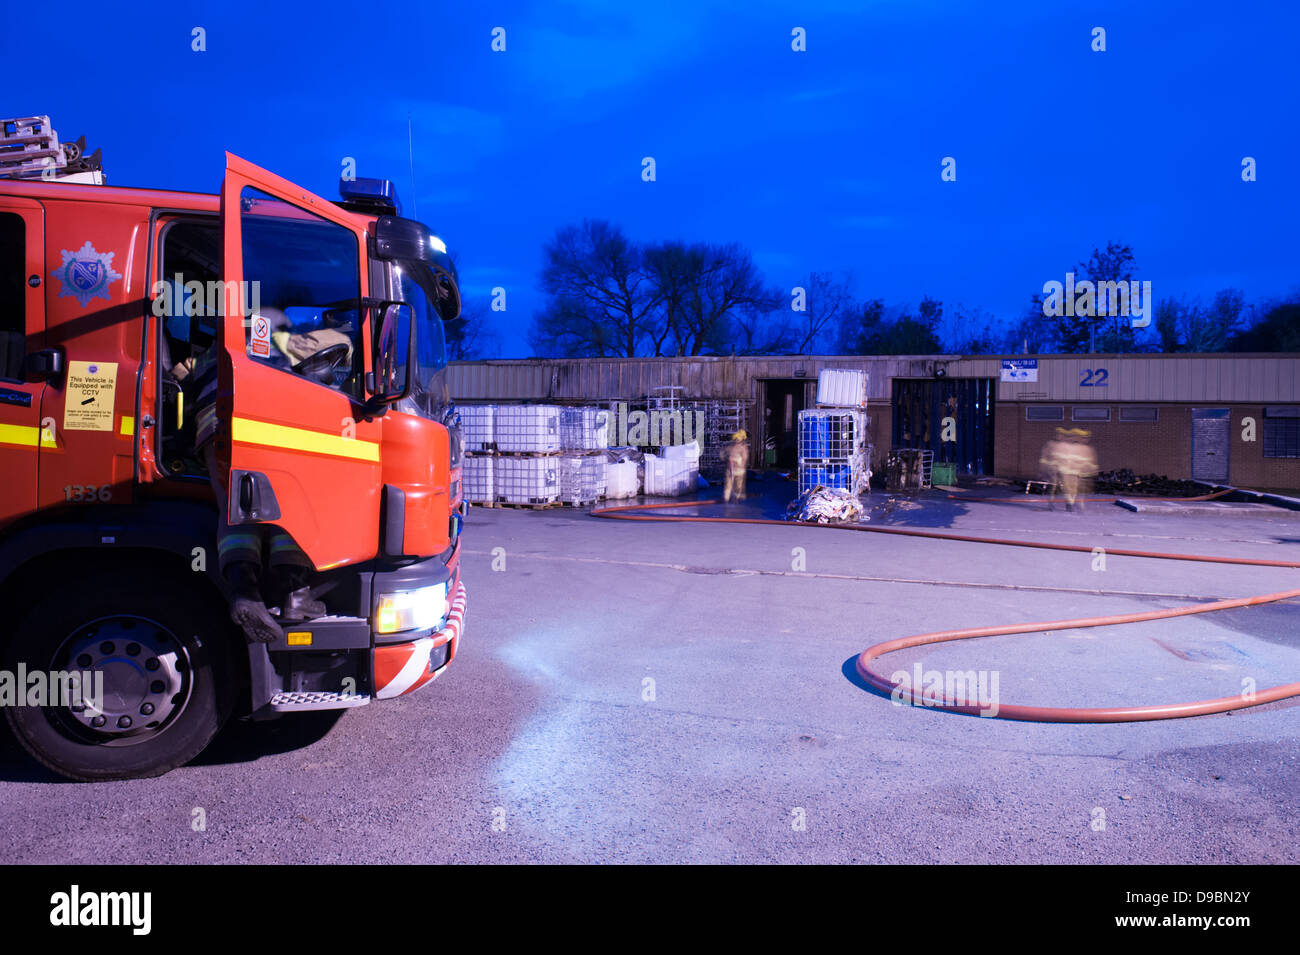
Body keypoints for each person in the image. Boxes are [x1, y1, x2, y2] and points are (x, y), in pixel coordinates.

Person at [189, 307, 332, 644]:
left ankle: (244, 590)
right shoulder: (274, 324)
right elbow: (318, 366)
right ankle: (295, 593)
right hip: (263, 417)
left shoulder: (217, 342)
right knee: (290, 504)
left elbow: (192, 379)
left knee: (234, 508)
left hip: (214, 422)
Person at [1039, 428, 1067, 509]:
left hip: (1064, 470)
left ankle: (1069, 504)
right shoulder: (1050, 444)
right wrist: (1043, 468)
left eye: (1061, 435)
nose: (1059, 436)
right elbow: (1044, 456)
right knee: (1052, 487)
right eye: (1058, 434)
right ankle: (1051, 504)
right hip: (1053, 470)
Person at [724, 429, 749, 502]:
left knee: (737, 485)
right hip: (732, 470)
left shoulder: (742, 448)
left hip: (738, 470)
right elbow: (724, 455)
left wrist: (736, 460)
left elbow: (744, 458)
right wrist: (729, 459)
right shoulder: (731, 447)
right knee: (730, 485)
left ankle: (735, 498)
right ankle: (728, 498)